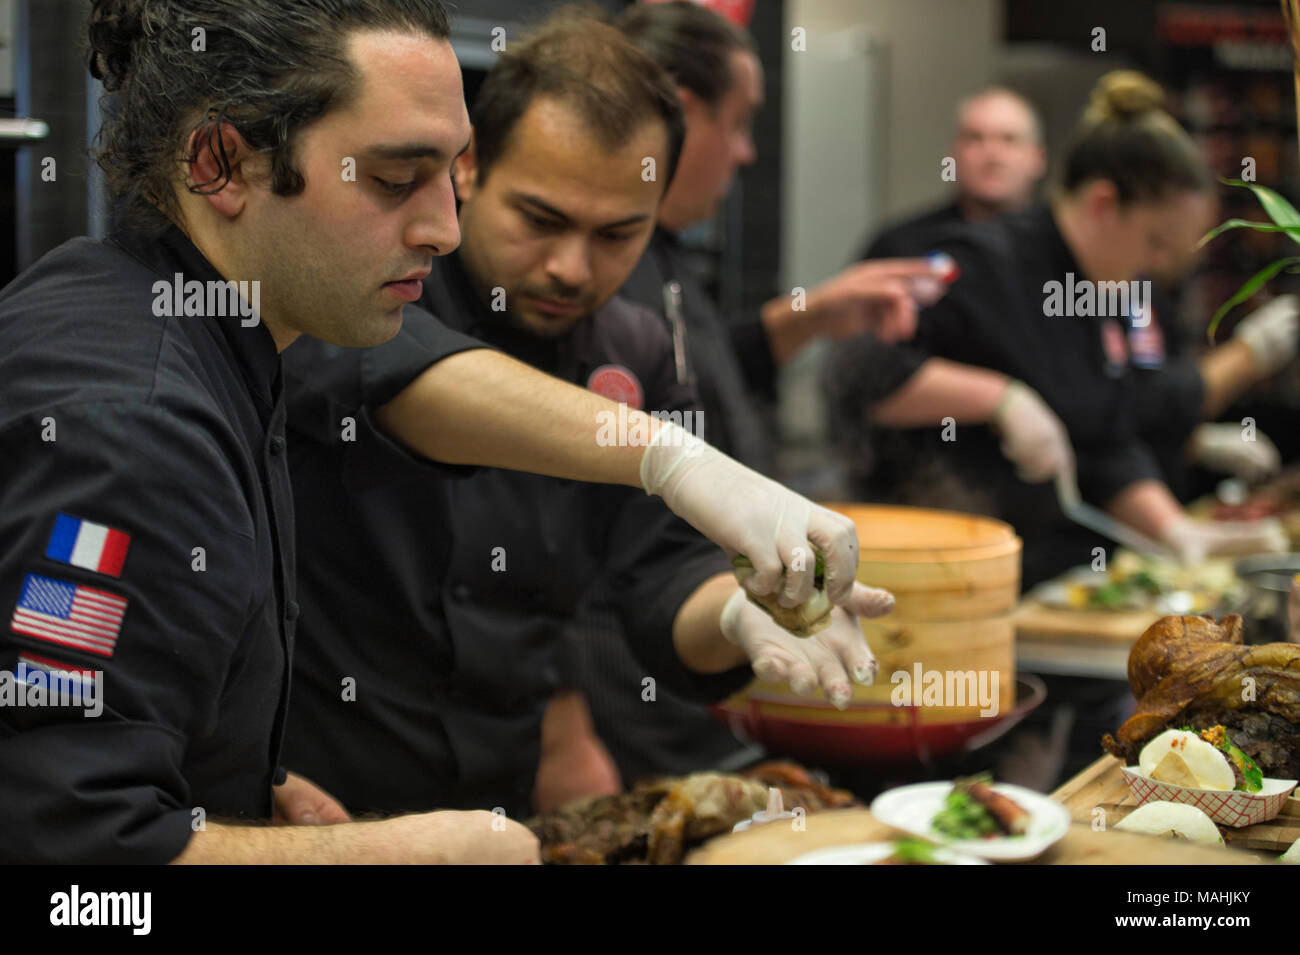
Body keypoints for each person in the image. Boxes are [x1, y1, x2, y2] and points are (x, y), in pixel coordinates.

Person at [0, 0, 880, 865]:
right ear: (222, 162)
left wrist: (247, 787)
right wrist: (403, 853)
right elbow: (69, 852)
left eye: (447, 172)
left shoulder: (222, 334)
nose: (442, 228)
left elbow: (128, 732)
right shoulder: (131, 427)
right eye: (393, 179)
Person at [277, 8, 894, 821]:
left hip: (496, 799)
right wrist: (672, 458)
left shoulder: (635, 350)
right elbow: (417, 383)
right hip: (320, 793)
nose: (572, 268)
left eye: (618, 234)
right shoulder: (374, 283)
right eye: (541, 221)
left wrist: (744, 611)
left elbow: (664, 584)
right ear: (469, 170)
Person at [825, 70, 1286, 591]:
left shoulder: (1099, 287)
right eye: (1154, 243)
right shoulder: (985, 262)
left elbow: (1103, 434)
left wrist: (1175, 531)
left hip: (1035, 572)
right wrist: (1000, 399)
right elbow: (856, 373)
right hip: (928, 568)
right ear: (1103, 205)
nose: (1156, 265)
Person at [861, 86, 1047, 260]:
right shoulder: (900, 248)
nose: (992, 155)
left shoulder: (1064, 247)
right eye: (975, 139)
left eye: (1009, 140)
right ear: (953, 155)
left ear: (1038, 157)